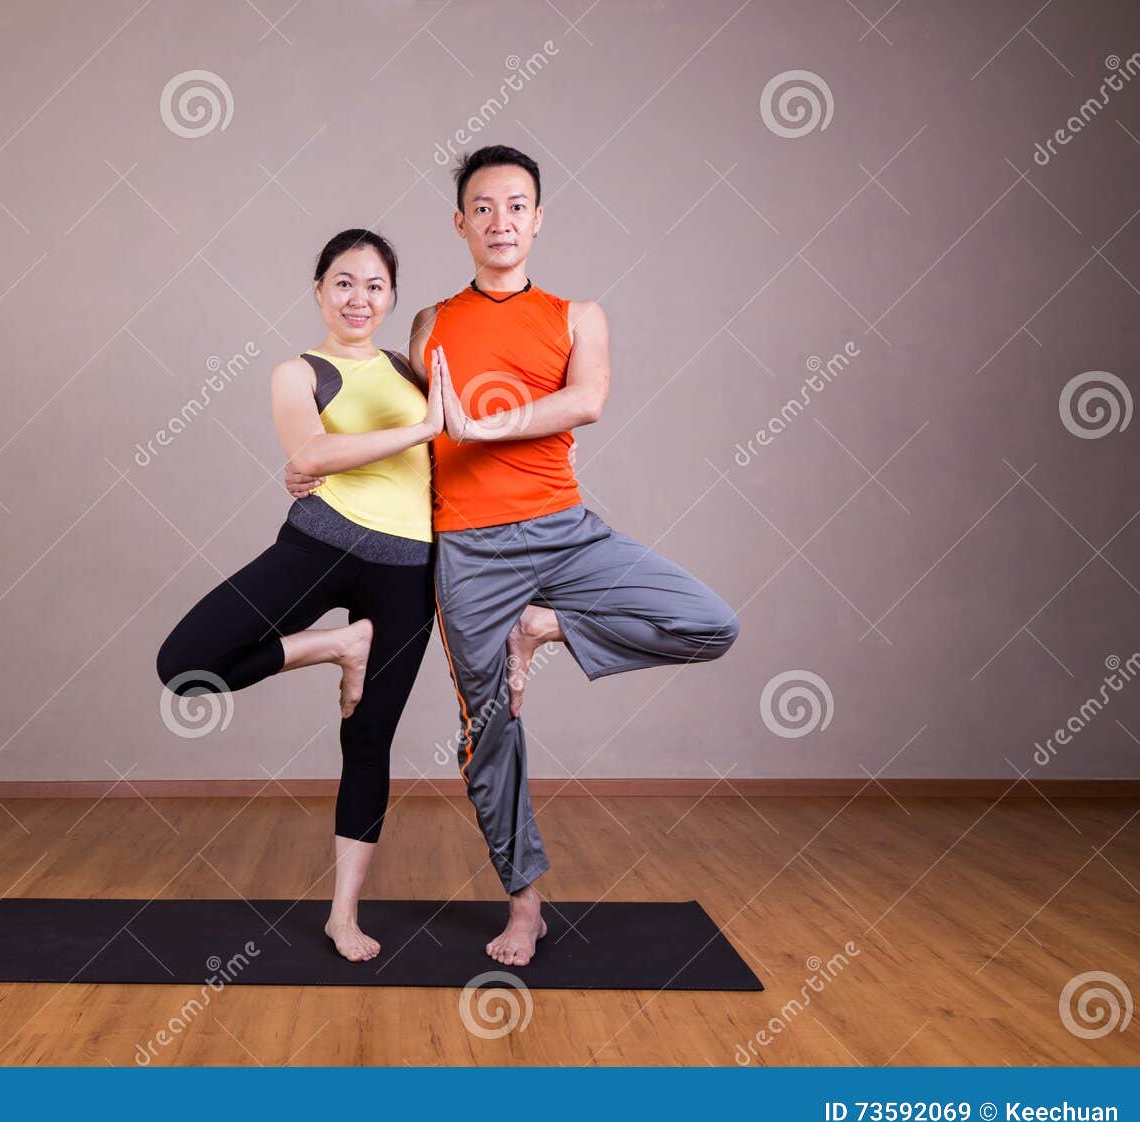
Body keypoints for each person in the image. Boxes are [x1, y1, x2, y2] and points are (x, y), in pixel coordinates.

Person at [288, 146, 741, 967]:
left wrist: (485, 425)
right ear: (461, 223)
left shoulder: (579, 315)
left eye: (517, 205)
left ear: (540, 219)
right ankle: (524, 903)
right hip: (469, 551)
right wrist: (311, 461)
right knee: (489, 736)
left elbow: (587, 399)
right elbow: (390, 421)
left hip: (565, 529)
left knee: (709, 621)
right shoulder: (429, 323)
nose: (502, 221)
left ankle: (545, 627)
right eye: (484, 208)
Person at [157, 229, 441, 963]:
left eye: (375, 285)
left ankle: (343, 914)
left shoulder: (414, 372)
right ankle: (332, 646)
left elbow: (454, 464)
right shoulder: (298, 371)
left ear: (392, 298)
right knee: (186, 662)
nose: (359, 298)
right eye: (343, 282)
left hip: (407, 568)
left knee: (367, 738)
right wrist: (421, 425)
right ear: (319, 290)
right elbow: (309, 453)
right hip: (319, 545)